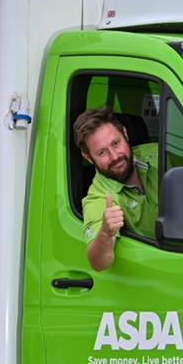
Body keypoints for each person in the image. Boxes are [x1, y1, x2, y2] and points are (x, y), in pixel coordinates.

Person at [75, 107, 159, 271]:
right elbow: (99, 263)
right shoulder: (98, 197)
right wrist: (105, 233)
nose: (115, 156)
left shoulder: (159, 153)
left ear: (125, 134)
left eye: (116, 143)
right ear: (88, 157)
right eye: (102, 152)